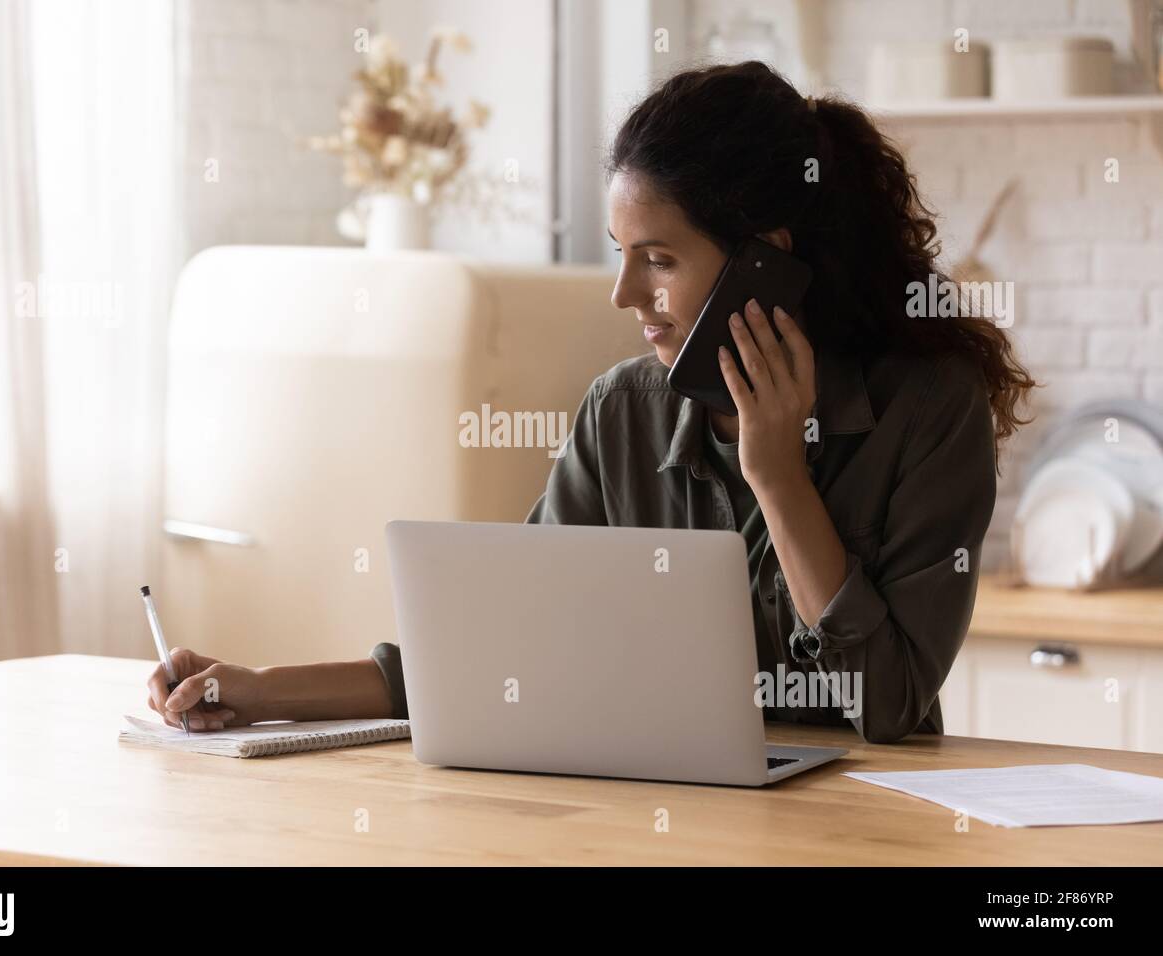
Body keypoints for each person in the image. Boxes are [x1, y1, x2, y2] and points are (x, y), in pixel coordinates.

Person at [146, 62, 1035, 745]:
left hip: (867, 838)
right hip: (655, 821)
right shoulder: (622, 415)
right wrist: (259, 687)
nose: (622, 294)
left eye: (658, 259)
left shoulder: (928, 412)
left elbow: (880, 704)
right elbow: (492, 653)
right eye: (621, 251)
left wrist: (778, 476)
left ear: (765, 259)